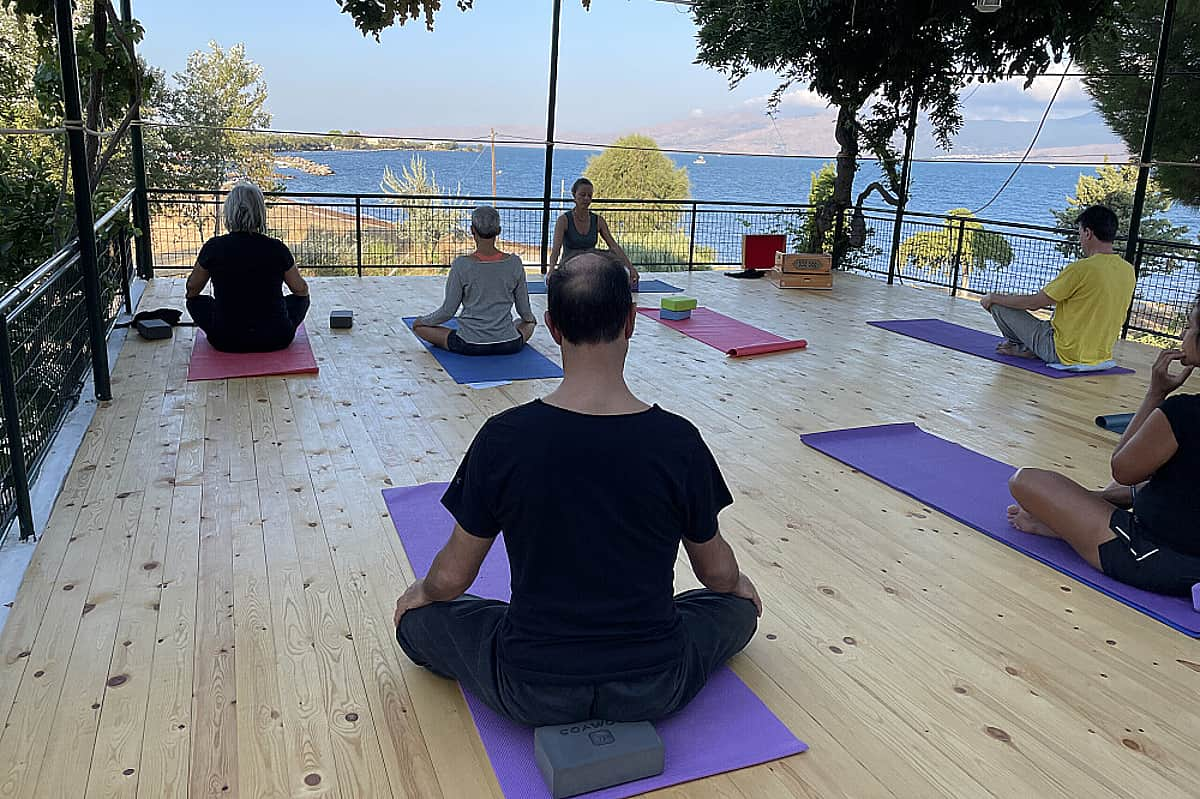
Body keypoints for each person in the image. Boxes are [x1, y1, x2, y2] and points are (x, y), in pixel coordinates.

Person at [394, 253, 760, 727]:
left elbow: (451, 580)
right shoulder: (678, 441)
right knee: (735, 608)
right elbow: (716, 574)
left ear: (552, 326)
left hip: (531, 685)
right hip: (655, 681)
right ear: (630, 321)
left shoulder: (504, 438)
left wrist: (420, 592)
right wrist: (738, 588)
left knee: (419, 620)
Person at [1007, 293, 1200, 596]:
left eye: (1188, 327)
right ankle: (1091, 508)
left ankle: (1066, 529)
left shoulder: (1185, 412)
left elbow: (1123, 467)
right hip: (1178, 530)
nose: (1181, 334)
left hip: (1155, 557)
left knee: (1025, 481)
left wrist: (1155, 394)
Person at [980, 205, 1135, 367]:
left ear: (1088, 233)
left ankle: (1022, 347)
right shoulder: (1128, 270)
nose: (1080, 239)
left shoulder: (1082, 268)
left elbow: (1034, 303)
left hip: (1060, 351)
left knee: (997, 304)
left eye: (1080, 233)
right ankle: (1028, 348)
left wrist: (993, 297)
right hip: (1100, 354)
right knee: (1045, 324)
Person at [185, 181, 310, 353]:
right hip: (276, 337)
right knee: (297, 300)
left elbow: (192, 289)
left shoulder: (214, 247)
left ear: (229, 213)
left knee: (197, 302)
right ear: (260, 213)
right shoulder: (276, 248)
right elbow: (300, 290)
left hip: (225, 339)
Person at [413, 206, 536, 356]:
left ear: (472, 230)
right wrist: (531, 321)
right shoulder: (514, 263)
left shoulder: (462, 265)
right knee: (525, 323)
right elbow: (524, 312)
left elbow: (447, 311)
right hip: (508, 343)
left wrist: (422, 321)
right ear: (498, 231)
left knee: (419, 328)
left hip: (469, 344)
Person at [546, 177, 640, 288]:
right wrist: (551, 270)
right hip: (570, 263)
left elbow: (614, 246)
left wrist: (631, 268)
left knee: (613, 260)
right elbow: (556, 249)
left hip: (591, 263)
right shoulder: (564, 220)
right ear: (574, 196)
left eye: (589, 196)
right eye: (582, 195)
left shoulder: (598, 220)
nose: (586, 198)